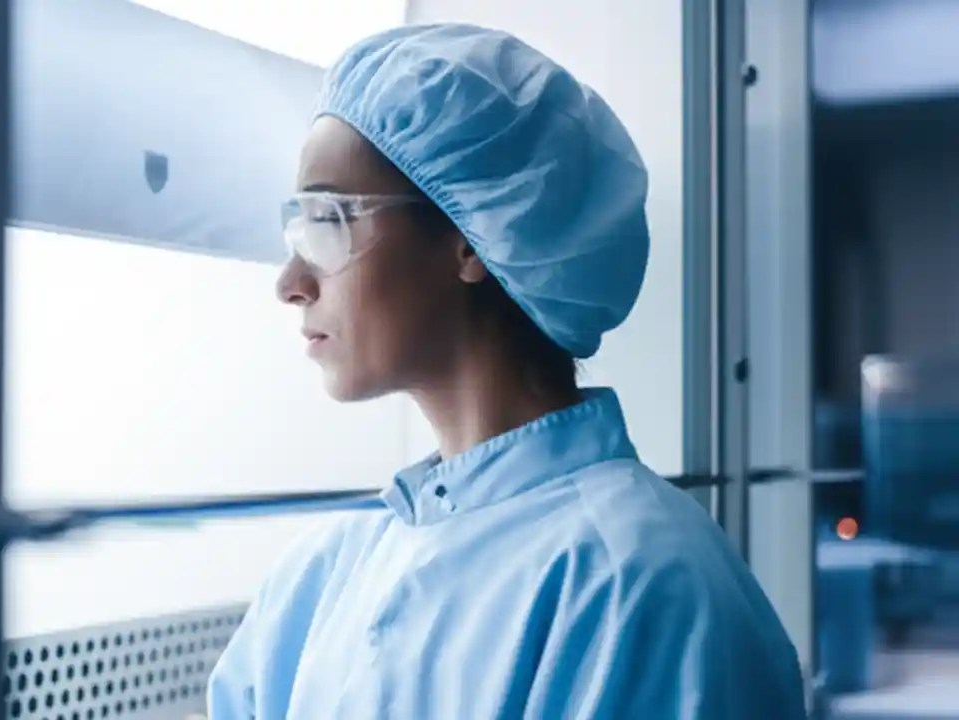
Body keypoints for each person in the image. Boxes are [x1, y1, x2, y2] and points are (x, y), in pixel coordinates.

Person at [207, 23, 805, 719]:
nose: (290, 282)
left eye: (329, 219)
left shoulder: (638, 585)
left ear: (472, 239)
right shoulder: (325, 575)